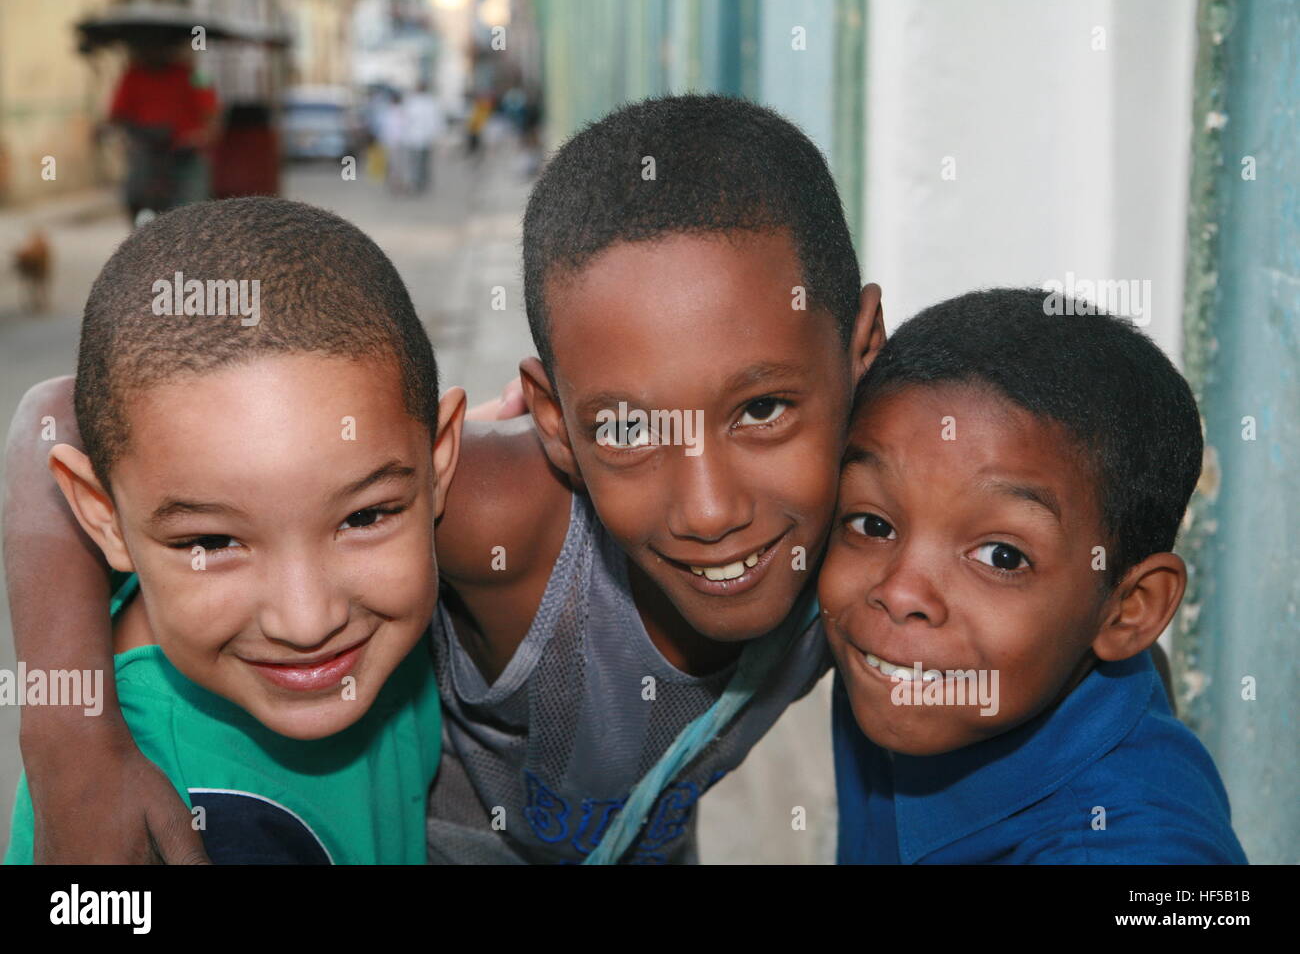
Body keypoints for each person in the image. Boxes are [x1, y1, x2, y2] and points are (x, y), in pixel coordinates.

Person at [6, 95, 884, 864]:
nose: (711, 509)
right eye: (625, 425)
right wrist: (70, 736)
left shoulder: (904, 515)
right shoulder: (489, 513)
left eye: (763, 410)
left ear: (862, 357)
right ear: (554, 422)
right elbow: (65, 413)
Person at [3, 198, 465, 863]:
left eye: (364, 517)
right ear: (102, 515)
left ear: (440, 459)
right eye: (211, 543)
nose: (307, 622)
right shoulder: (169, 827)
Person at [819, 288, 1248, 864]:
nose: (898, 592)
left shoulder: (1127, 848)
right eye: (873, 523)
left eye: (1001, 557)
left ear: (1131, 609)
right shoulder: (922, 670)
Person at [107, 39, 219, 223]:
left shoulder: (194, 73)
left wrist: (200, 137)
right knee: (133, 195)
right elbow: (116, 116)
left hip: (184, 153)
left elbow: (212, 114)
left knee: (194, 208)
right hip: (147, 152)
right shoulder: (132, 75)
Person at [401, 83, 444, 194]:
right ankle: (418, 183)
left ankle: (419, 183)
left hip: (420, 138)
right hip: (418, 138)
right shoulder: (420, 102)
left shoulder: (421, 102)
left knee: (419, 163)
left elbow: (435, 121)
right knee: (419, 163)